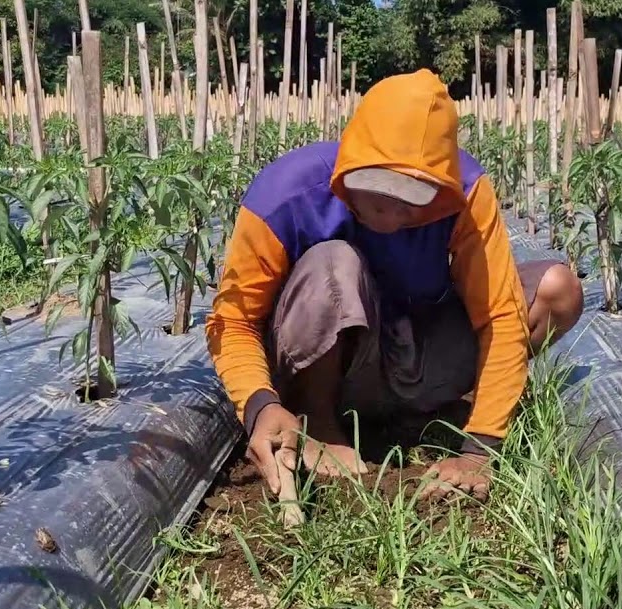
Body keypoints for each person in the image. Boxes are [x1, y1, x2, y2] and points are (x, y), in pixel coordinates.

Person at [204, 69, 585, 501]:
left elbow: (499, 312)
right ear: (350, 161)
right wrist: (260, 405)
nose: (389, 210)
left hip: (412, 352)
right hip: (327, 358)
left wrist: (481, 450)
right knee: (333, 264)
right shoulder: (287, 193)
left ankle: (445, 409)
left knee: (557, 289)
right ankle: (320, 422)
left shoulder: (465, 192)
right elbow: (233, 320)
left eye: (413, 195)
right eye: (375, 185)